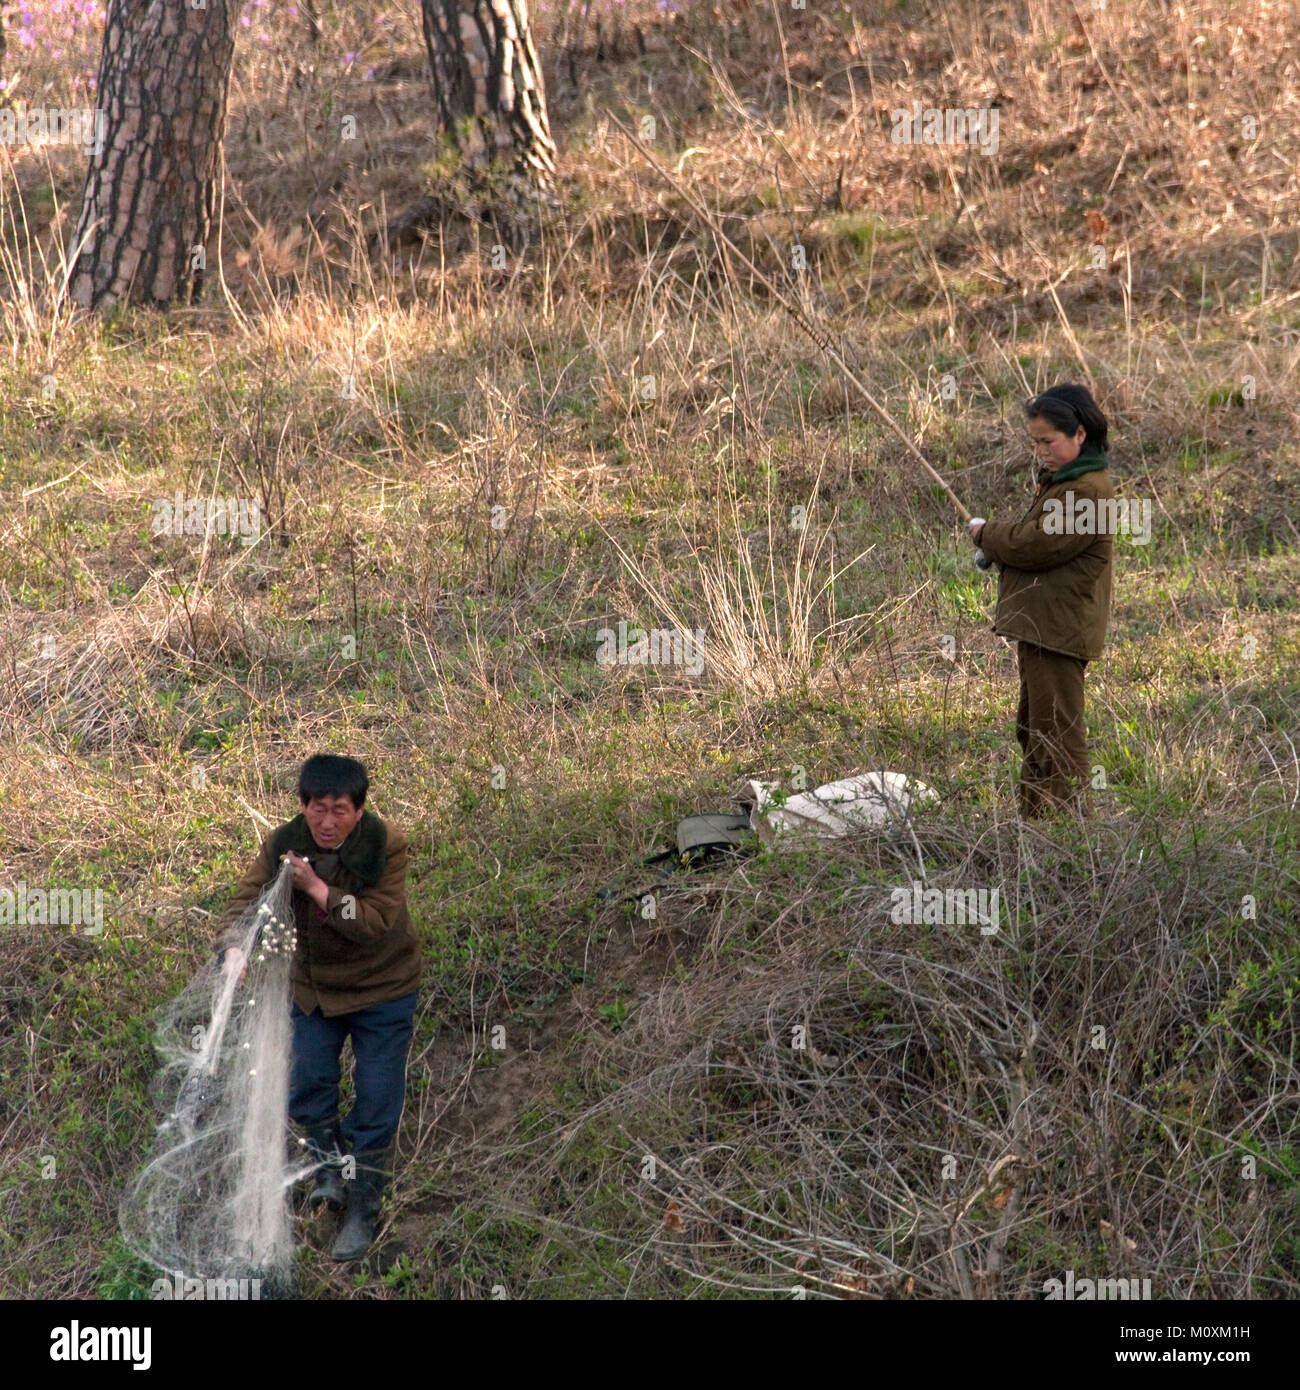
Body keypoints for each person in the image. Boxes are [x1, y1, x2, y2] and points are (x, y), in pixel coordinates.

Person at [214, 754, 421, 1261]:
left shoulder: (385, 846)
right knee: (307, 1081)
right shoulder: (286, 843)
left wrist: (318, 890)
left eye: (340, 810)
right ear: (302, 806)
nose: (328, 823)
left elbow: (376, 921)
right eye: (318, 809)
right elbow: (247, 899)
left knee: (376, 1097)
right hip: (314, 992)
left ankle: (362, 1207)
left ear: (359, 809)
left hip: (382, 990)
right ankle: (328, 1169)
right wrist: (235, 947)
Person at [969, 384, 1116, 818]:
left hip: (1059, 631)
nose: (1041, 452)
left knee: (1059, 739)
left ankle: (1074, 842)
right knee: (1035, 732)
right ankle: (1035, 831)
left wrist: (986, 534)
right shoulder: (1067, 483)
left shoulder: (1088, 491)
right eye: (1035, 442)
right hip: (1045, 628)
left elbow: (1037, 546)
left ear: (1080, 436)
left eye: (1048, 441)